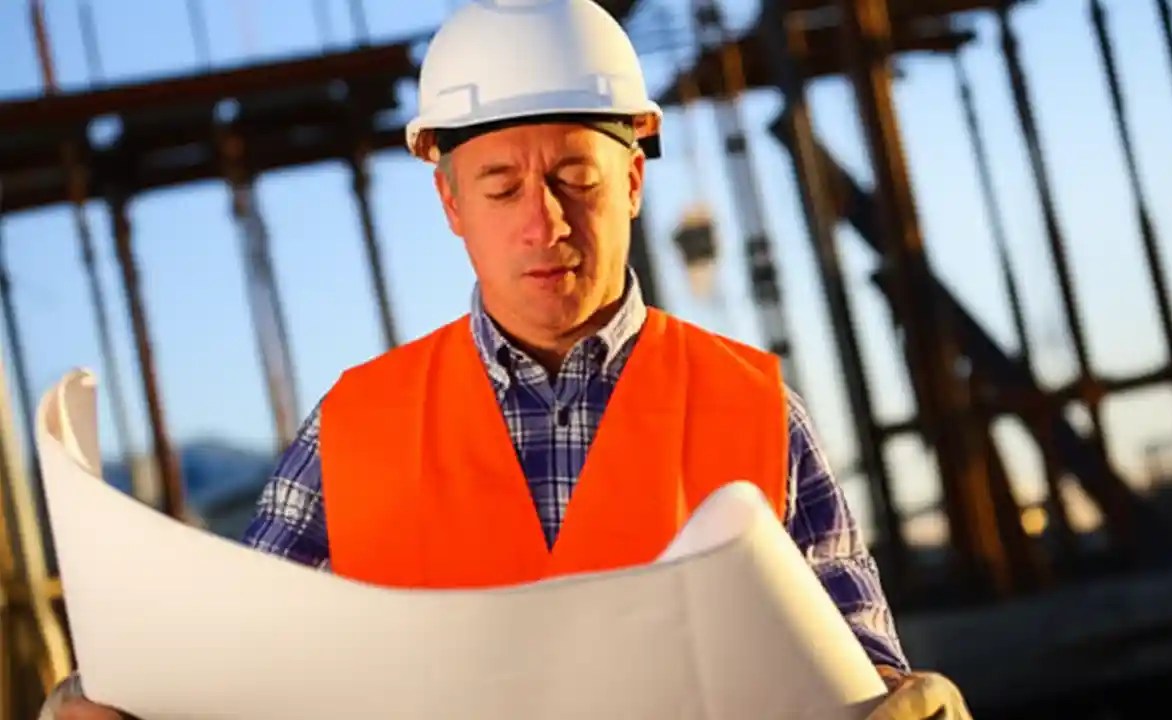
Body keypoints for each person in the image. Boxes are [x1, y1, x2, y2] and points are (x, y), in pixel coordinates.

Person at [45, 0, 972, 717]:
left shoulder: (754, 408)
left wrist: (902, 698)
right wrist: (124, 700)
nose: (547, 222)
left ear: (634, 180)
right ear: (451, 204)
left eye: (577, 177)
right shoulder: (354, 429)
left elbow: (860, 668)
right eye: (500, 186)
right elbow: (235, 674)